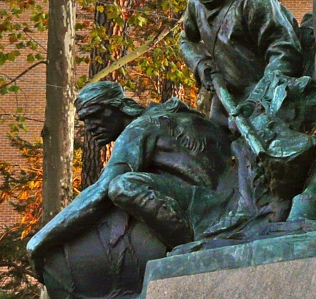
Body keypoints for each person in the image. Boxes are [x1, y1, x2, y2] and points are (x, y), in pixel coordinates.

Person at [26, 81, 234, 280]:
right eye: (85, 120)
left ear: (120, 106)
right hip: (226, 201)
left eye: (96, 115)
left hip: (209, 209)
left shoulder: (139, 129)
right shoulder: (175, 116)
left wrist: (40, 240)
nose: (90, 127)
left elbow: (101, 191)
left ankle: (190, 245)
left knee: (123, 186)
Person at [176, 0, 311, 219]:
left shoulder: (254, 1)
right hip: (226, 104)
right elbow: (186, 40)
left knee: (262, 170)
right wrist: (201, 65)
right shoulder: (195, 6)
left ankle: (269, 215)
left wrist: (260, 103)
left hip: (271, 103)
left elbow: (285, 52)